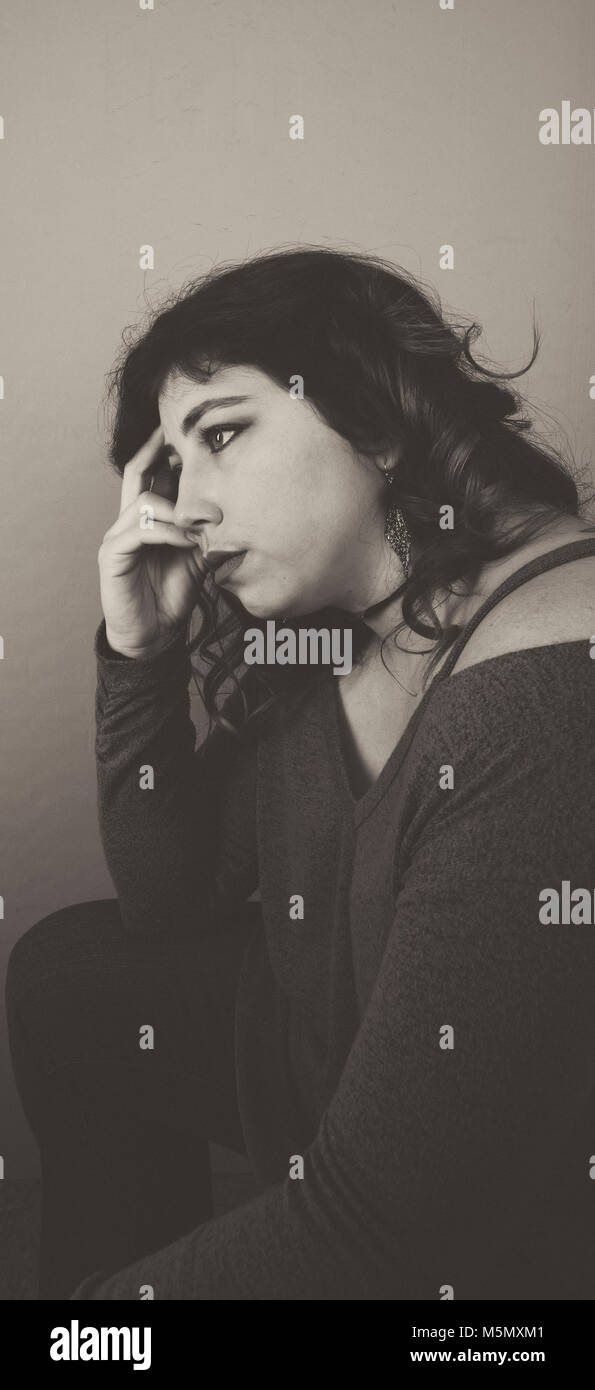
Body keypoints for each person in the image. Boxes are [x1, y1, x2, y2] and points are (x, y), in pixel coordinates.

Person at [6, 246, 595, 1300]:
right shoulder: (330, 638)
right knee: (72, 974)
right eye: (172, 466)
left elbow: (385, 1240)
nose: (184, 507)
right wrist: (140, 662)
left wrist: (87, 1332)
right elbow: (168, 895)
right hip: (314, 1052)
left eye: (222, 433)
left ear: (371, 415)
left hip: (465, 1246)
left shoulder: (543, 699)